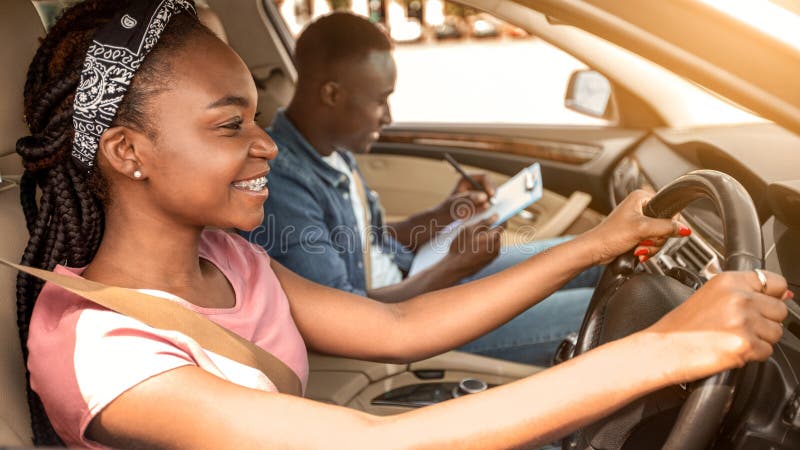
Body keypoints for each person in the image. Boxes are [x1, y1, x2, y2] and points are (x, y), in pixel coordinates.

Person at [16, 1, 791, 448]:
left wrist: (598, 242)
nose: (266, 144)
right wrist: (663, 346)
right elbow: (373, 446)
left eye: (256, 116)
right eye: (230, 125)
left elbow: (401, 326)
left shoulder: (226, 258)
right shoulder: (101, 347)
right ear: (127, 152)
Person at [243, 12, 607, 365]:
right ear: (332, 95)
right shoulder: (283, 184)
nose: (389, 117)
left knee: (589, 259)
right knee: (602, 308)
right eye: (380, 100)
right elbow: (349, 319)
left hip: (416, 280)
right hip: (409, 323)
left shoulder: (332, 151)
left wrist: (445, 214)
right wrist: (452, 268)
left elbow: (367, 241)